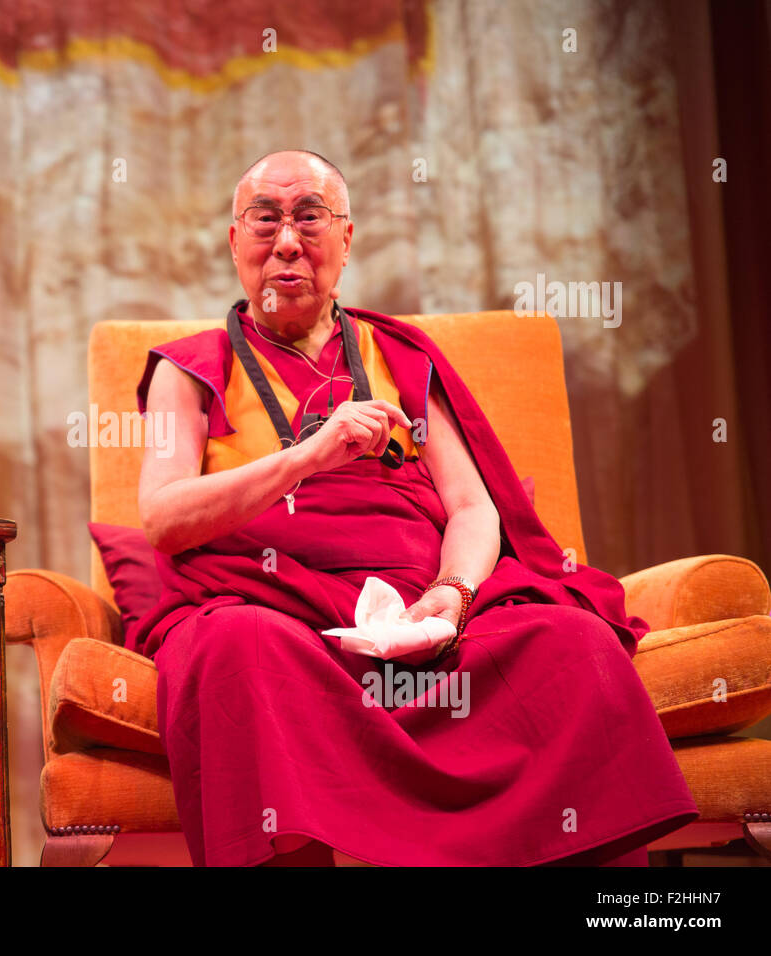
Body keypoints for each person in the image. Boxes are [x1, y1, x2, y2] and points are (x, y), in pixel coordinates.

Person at [130, 149, 699, 867]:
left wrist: (452, 592)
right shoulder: (190, 368)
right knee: (236, 650)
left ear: (347, 237)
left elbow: (471, 506)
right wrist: (307, 457)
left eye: (310, 217)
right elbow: (164, 516)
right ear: (234, 239)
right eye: (264, 219)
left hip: (423, 618)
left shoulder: (398, 355)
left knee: (570, 644)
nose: (286, 241)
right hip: (279, 619)